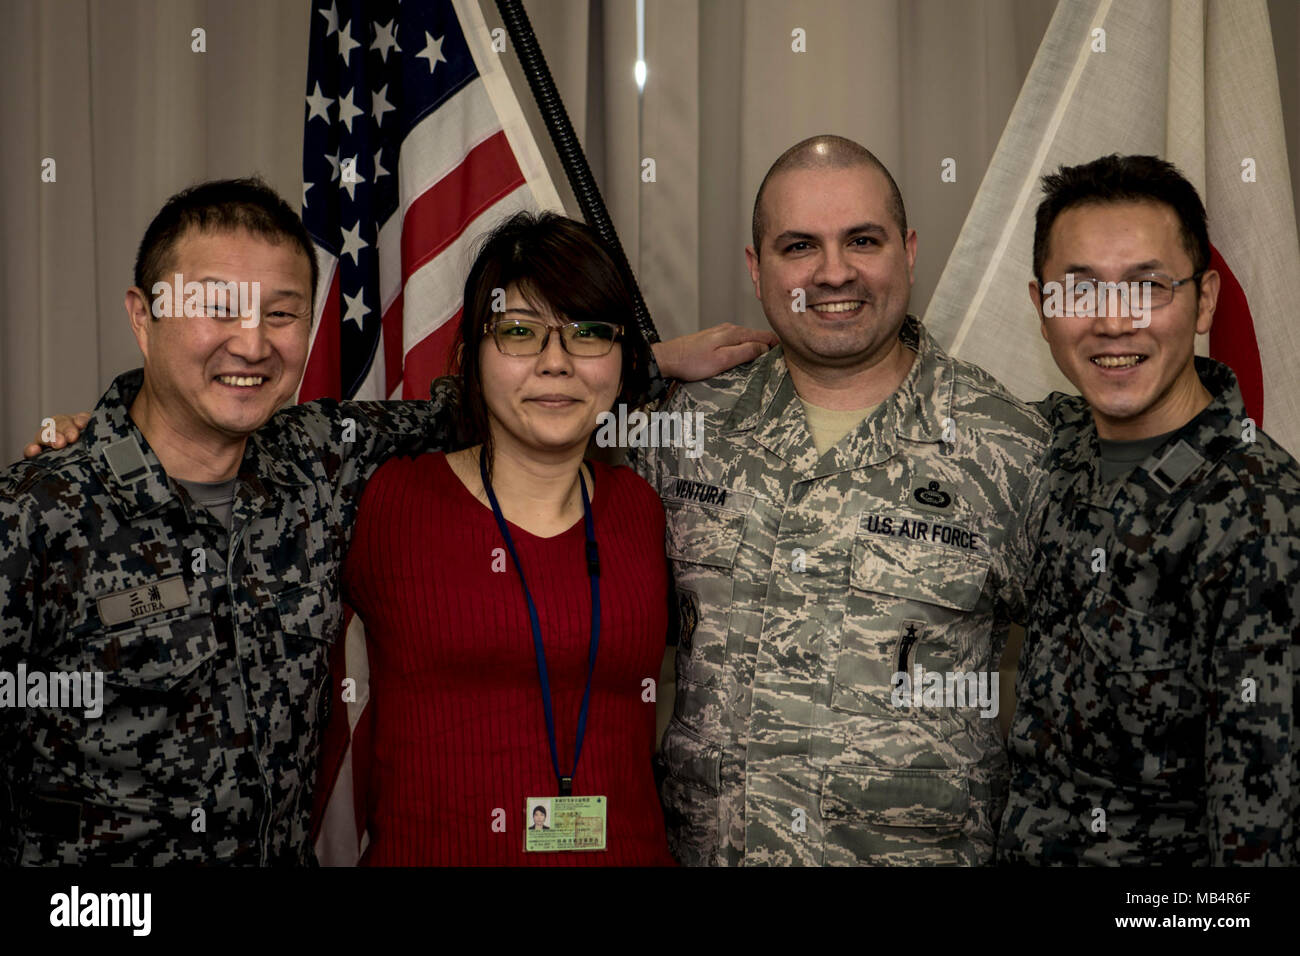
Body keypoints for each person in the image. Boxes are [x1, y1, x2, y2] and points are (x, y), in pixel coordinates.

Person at [3, 180, 769, 865]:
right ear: (144, 317)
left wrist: (641, 361)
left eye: (281, 313)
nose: (251, 342)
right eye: (214, 307)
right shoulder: (36, 514)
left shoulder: (317, 469)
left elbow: (500, 400)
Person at [627, 135, 1051, 865]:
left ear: (909, 251)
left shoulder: (1012, 448)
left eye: (862, 239)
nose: (833, 272)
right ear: (757, 270)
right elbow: (498, 425)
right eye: (799, 246)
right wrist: (638, 365)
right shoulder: (679, 431)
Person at [337, 212, 677, 865]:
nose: (556, 363)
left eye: (588, 335)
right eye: (519, 333)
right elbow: (224, 452)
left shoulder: (646, 508)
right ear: (469, 358)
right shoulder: (387, 500)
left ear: (624, 360)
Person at [1000, 154, 1300, 865]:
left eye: (1148, 287)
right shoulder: (1046, 445)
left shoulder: (1263, 512)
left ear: (1204, 302)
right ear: (1042, 309)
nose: (1113, 322)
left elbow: (1260, 837)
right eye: (1080, 292)